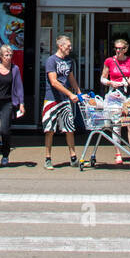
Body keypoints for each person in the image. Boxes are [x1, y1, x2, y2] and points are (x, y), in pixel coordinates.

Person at [42, 34, 83, 169]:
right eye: (68, 46)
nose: (70, 48)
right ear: (60, 46)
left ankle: (73, 156)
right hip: (52, 99)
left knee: (69, 128)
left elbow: (71, 78)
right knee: (50, 129)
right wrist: (70, 94)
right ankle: (48, 158)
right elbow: (54, 81)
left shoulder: (69, 61)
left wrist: (78, 92)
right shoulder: (51, 61)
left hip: (65, 100)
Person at [101, 38, 130, 164]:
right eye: (116, 48)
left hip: (128, 94)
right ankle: (118, 153)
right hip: (114, 96)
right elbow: (103, 78)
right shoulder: (109, 61)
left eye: (121, 48)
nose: (118, 50)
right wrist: (111, 82)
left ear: (126, 49)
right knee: (116, 125)